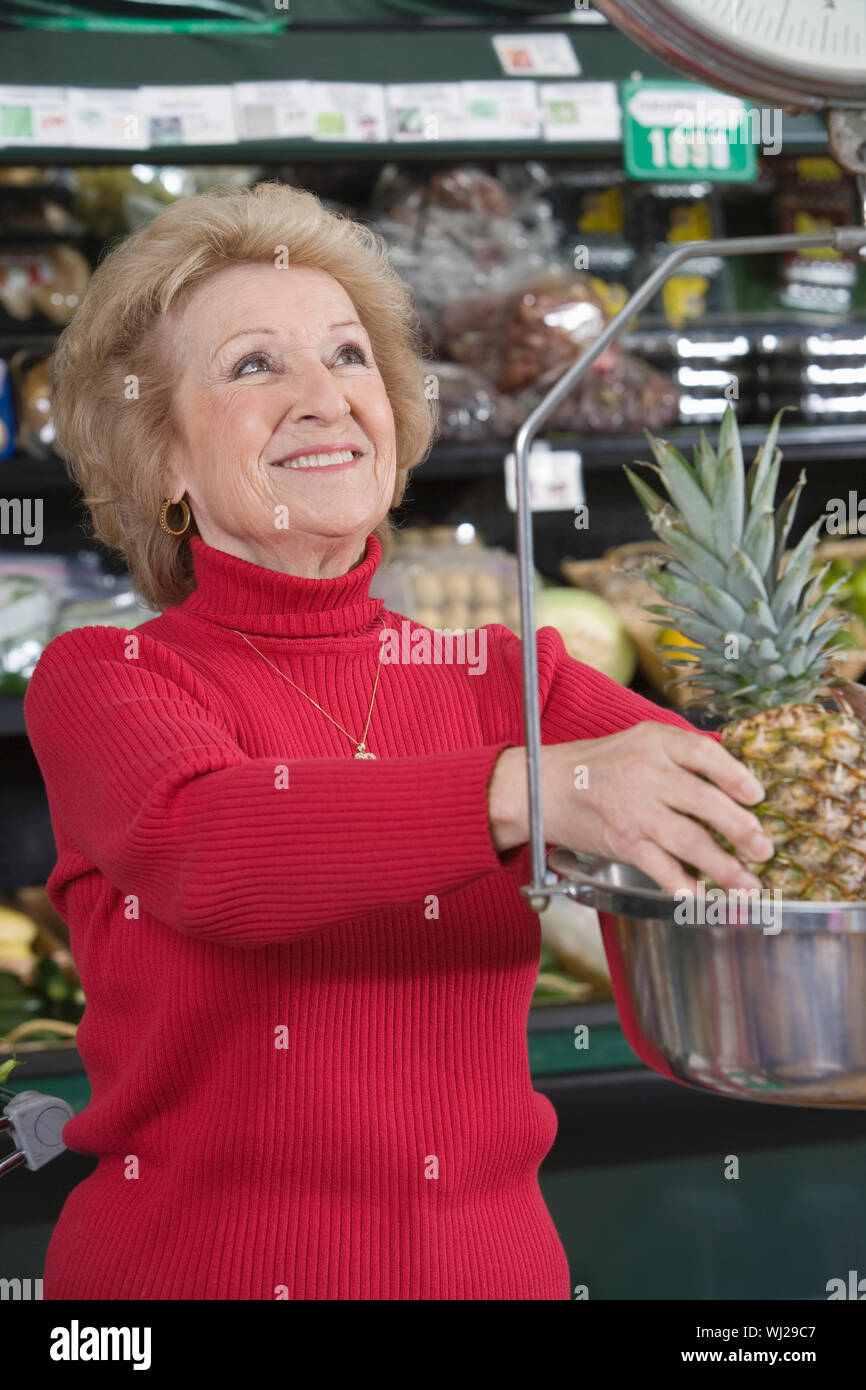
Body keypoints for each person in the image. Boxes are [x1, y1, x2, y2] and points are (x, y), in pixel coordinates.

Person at [24, 182, 772, 1300]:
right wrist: (527, 790)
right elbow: (215, 847)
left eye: (347, 356)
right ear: (161, 457)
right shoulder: (108, 679)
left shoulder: (509, 681)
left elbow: (751, 817)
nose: (324, 397)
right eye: (252, 366)